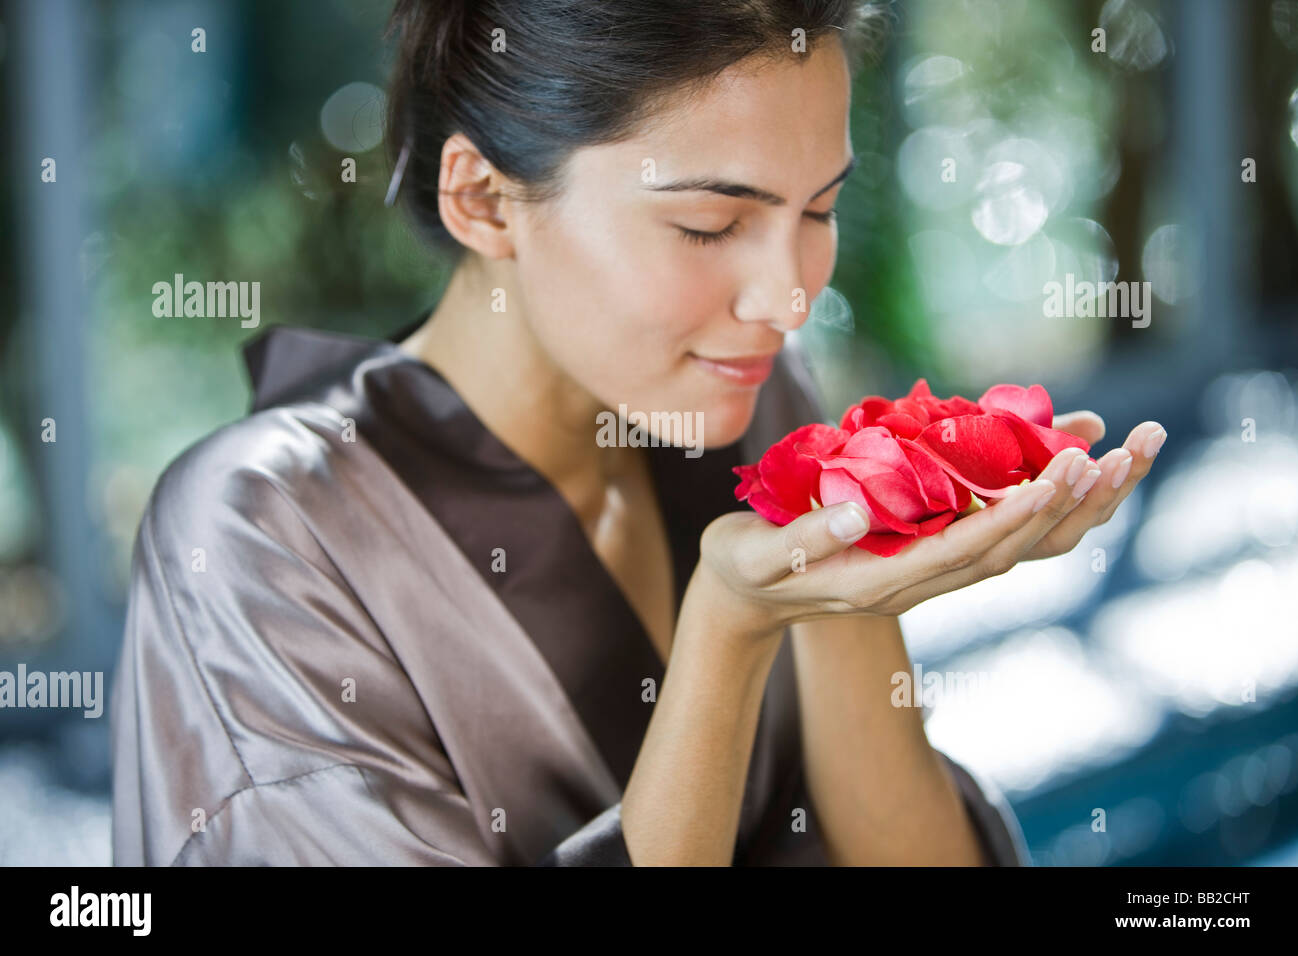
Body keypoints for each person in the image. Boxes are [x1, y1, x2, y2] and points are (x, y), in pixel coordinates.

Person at [109, 0, 1165, 866]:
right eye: (710, 224)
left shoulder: (757, 402)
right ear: (483, 200)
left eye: (819, 209)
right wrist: (729, 627)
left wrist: (853, 573)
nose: (787, 299)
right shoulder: (260, 535)